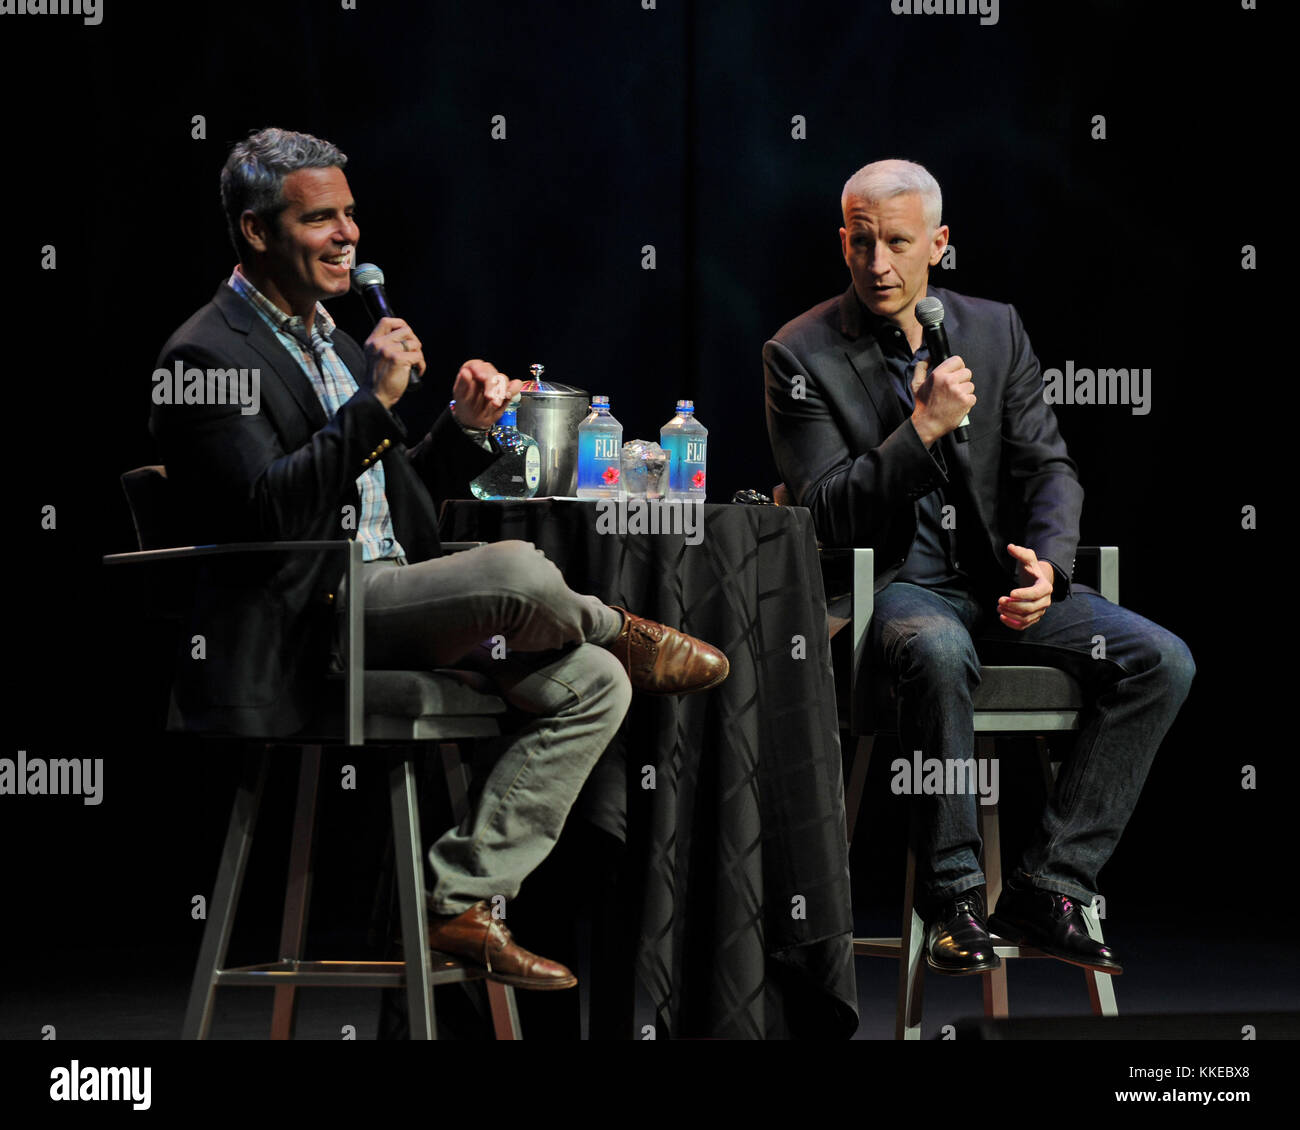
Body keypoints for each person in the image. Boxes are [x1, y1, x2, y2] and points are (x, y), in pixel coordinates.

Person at [150, 127, 728, 991]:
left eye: (350, 215)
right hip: (308, 621)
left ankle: (458, 899)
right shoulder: (204, 356)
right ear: (256, 231)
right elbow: (270, 516)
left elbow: (398, 508)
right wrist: (375, 403)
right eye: (319, 219)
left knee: (593, 683)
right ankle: (627, 630)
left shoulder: (334, 342)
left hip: (390, 597)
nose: (347, 235)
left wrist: (458, 431)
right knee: (518, 573)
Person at [763, 158, 1193, 977]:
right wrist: (919, 431)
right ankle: (955, 899)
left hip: (997, 590)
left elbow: (1050, 469)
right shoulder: (799, 352)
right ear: (842, 243)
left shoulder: (995, 330)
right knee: (936, 649)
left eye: (896, 243)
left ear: (939, 245)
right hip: (889, 593)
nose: (878, 265)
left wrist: (1051, 570)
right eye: (861, 244)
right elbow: (822, 509)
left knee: (1161, 661)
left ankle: (1052, 885)